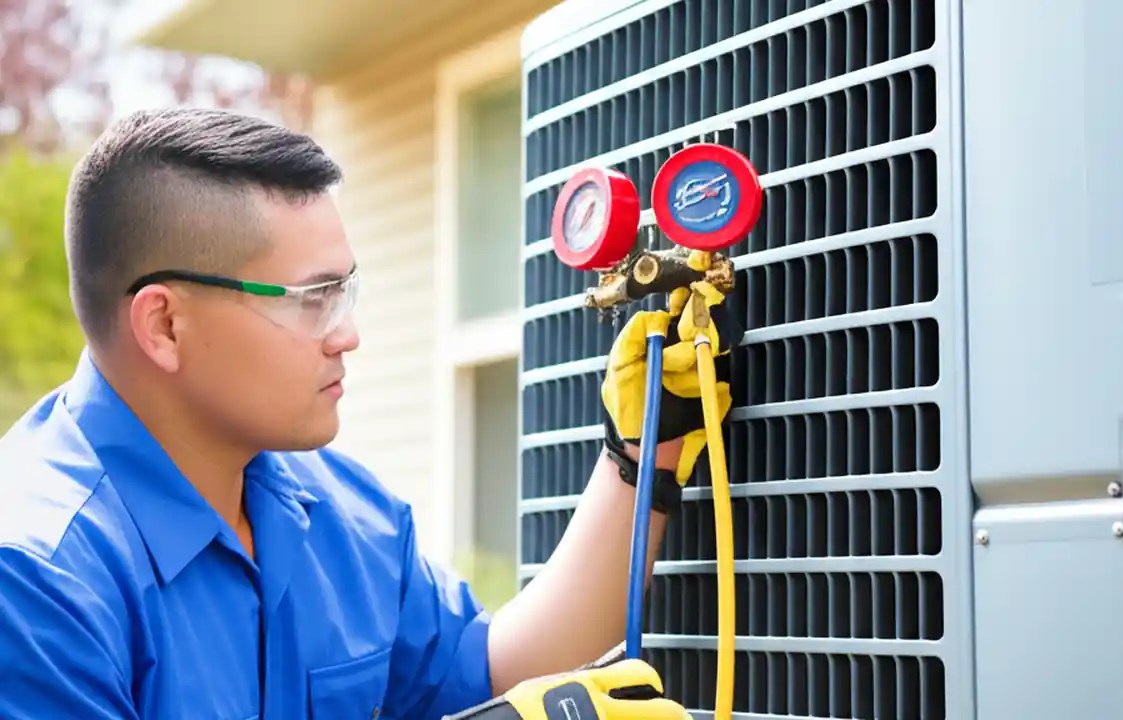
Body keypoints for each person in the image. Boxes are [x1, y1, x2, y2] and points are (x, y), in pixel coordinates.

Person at [0, 108, 734, 719]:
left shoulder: (335, 513)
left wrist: (638, 456)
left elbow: (494, 671)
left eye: (346, 291)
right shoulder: (36, 579)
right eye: (313, 298)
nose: (347, 333)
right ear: (164, 325)